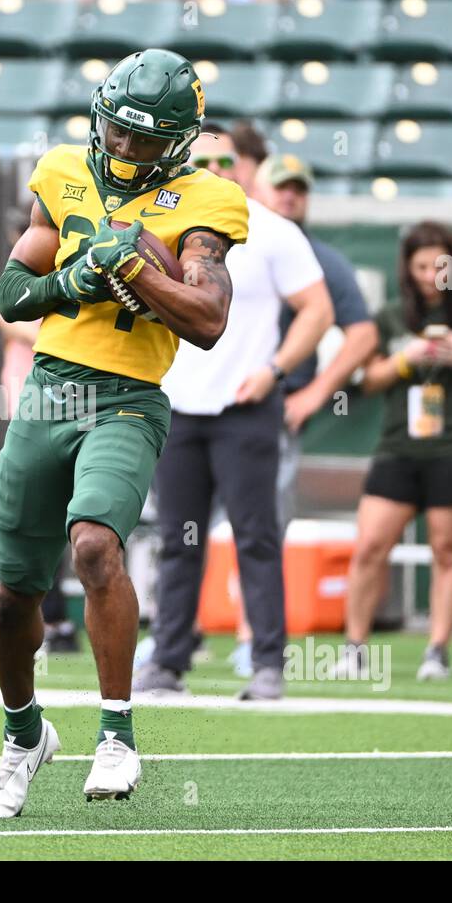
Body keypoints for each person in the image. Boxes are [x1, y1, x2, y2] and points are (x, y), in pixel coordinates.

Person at [0, 49, 248, 816]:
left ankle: (117, 733)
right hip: (49, 393)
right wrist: (74, 278)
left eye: (146, 139)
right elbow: (12, 294)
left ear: (181, 141)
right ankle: (24, 735)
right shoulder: (62, 171)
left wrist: (133, 270)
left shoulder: (207, 201)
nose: (124, 148)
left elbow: (208, 320)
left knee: (95, 544)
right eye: (116, 132)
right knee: (13, 593)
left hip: (129, 396)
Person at [132, 123, 331, 700]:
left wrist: (274, 370)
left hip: (246, 406)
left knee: (256, 536)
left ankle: (268, 662)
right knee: (178, 539)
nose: (216, 174)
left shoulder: (270, 230)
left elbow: (317, 310)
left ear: (245, 168)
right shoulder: (161, 223)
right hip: (179, 405)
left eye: (227, 163)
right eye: (205, 163)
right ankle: (168, 661)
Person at [333, 222, 452, 682]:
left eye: (440, 265)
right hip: (397, 446)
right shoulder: (393, 317)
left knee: (446, 550)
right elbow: (365, 380)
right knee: (371, 547)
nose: (431, 274)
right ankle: (355, 650)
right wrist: (407, 358)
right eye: (420, 266)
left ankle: (437, 650)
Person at [251, 149, 378, 529]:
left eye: (299, 189)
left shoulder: (321, 258)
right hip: (211, 401)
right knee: (191, 526)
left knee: (263, 526)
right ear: (258, 190)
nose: (290, 196)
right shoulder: (233, 245)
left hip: (275, 405)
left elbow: (363, 334)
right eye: (281, 187)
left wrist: (317, 393)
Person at [0, 204, 78, 653]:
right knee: (22, 518)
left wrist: (5, 323)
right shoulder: (28, 283)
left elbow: (55, 340)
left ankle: (54, 621)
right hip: (23, 407)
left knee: (50, 520)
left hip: (53, 410)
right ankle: (33, 616)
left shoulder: (61, 282)